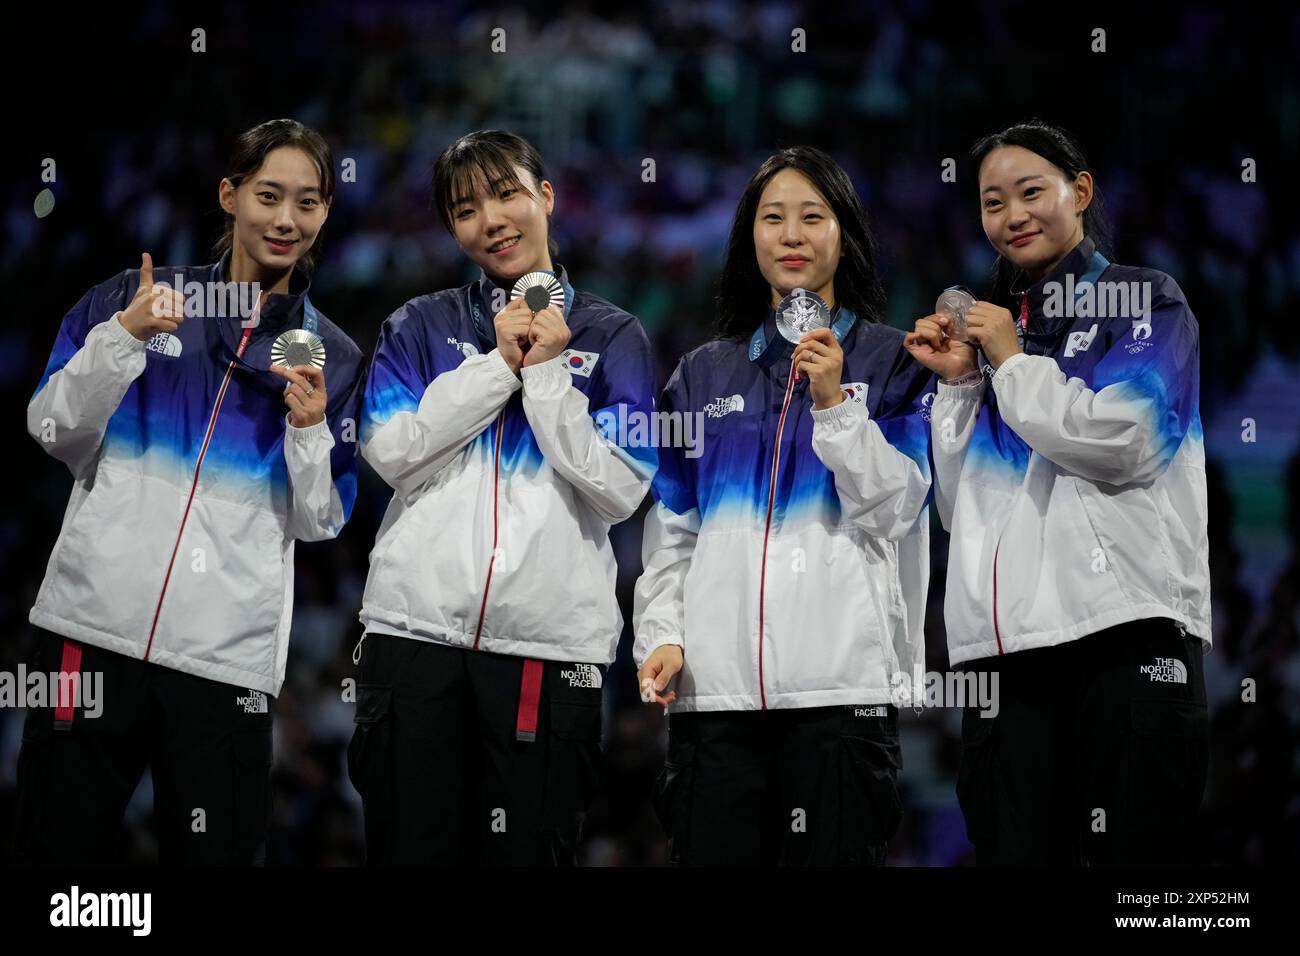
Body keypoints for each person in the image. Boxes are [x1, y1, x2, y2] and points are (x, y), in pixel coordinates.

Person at [17, 118, 365, 864]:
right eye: (268, 195)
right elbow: (51, 426)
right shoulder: (135, 297)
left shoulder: (334, 357)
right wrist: (123, 339)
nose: (286, 219)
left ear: (326, 212)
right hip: (90, 633)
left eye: (307, 202)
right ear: (229, 196)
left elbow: (323, 519)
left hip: (223, 666)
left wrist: (309, 430)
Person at [905, 119, 1211, 865]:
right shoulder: (992, 336)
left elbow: (1129, 439)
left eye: (1031, 192)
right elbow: (962, 510)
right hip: (1006, 656)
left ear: (1080, 191)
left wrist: (1012, 366)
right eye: (992, 202)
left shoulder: (1144, 299)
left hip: (1125, 633)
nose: (1012, 215)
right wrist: (962, 385)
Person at [351, 129, 657, 865]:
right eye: (465, 210)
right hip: (414, 638)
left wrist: (547, 374)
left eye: (505, 194)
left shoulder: (614, 337)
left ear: (546, 197)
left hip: (547, 651)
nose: (489, 220)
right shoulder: (418, 325)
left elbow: (621, 487)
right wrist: (498, 366)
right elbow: (391, 454)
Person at [633, 146, 933, 865]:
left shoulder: (895, 361)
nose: (792, 235)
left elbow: (896, 508)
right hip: (716, 701)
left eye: (813, 217)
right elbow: (674, 530)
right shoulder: (703, 374)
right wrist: (663, 634)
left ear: (845, 236)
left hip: (842, 694)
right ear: (750, 239)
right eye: (773, 219)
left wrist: (836, 407)